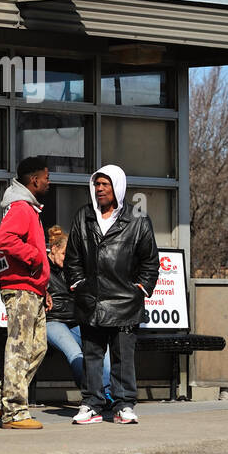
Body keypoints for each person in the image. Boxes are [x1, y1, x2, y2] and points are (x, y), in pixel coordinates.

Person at [64, 164, 158, 425]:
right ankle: (91, 404)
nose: (100, 189)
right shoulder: (84, 216)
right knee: (91, 356)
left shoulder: (138, 219)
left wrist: (139, 289)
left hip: (125, 302)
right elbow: (72, 258)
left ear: (117, 187)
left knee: (122, 358)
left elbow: (150, 262)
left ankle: (123, 405)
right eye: (97, 184)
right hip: (90, 301)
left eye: (105, 184)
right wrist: (78, 284)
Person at [0, 156, 52, 428]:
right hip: (20, 287)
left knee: (38, 348)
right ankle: (14, 412)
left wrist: (43, 287)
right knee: (20, 347)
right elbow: (3, 238)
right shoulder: (21, 207)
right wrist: (34, 258)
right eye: (46, 177)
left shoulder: (30, 207)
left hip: (32, 288)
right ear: (34, 180)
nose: (49, 181)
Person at [44, 226, 110, 400]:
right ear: (54, 249)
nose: (67, 259)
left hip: (75, 319)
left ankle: (107, 392)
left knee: (103, 347)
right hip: (53, 320)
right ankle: (91, 395)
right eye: (64, 254)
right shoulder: (42, 266)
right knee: (75, 353)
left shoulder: (73, 268)